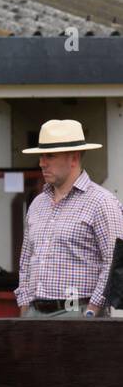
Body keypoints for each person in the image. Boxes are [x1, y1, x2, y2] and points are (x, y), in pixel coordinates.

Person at [15, 119, 123, 317]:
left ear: (73, 158)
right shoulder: (38, 204)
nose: (41, 163)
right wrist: (24, 308)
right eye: (41, 156)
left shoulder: (102, 202)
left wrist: (92, 310)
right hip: (34, 314)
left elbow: (114, 262)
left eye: (50, 156)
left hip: (78, 312)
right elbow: (26, 261)